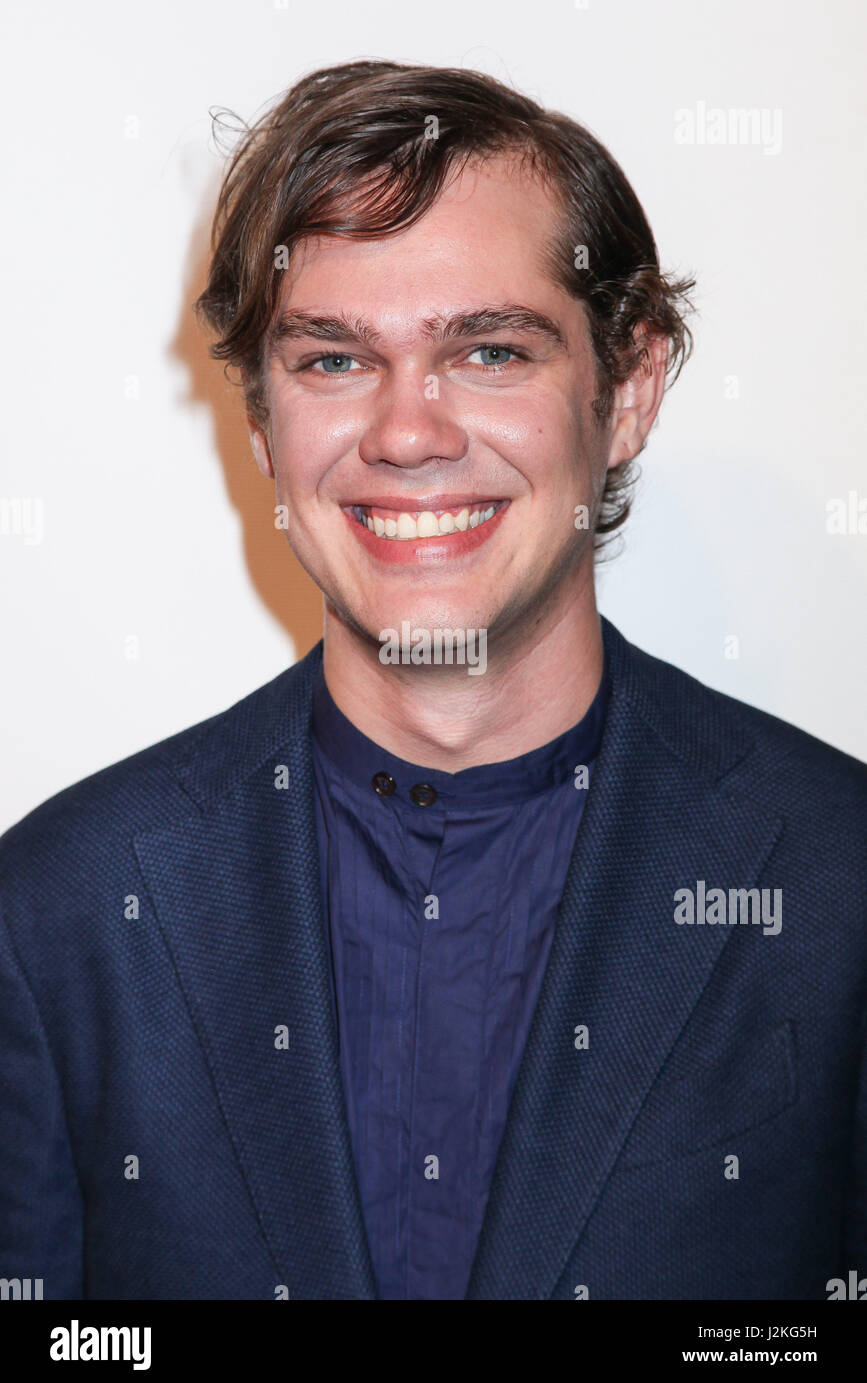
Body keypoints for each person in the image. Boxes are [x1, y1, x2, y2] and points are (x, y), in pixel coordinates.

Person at [1, 59, 864, 1301]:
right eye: (335, 362)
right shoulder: (59, 913)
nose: (409, 433)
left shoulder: (839, 880)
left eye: (493, 351)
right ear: (261, 424)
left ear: (627, 391)